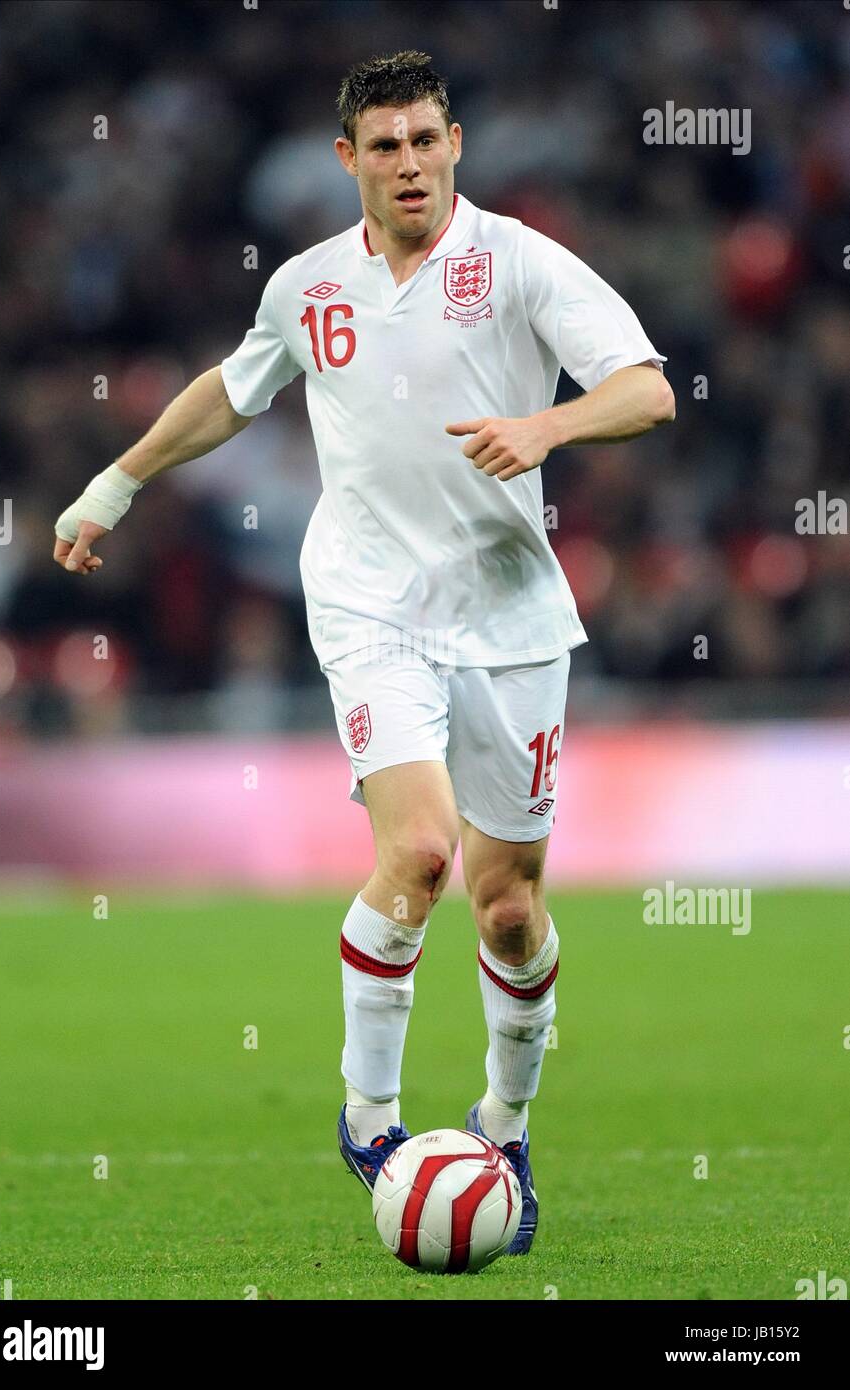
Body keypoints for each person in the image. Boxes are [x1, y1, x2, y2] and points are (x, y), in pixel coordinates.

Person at [54, 50, 674, 1256]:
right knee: (423, 851)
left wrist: (546, 425)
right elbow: (233, 391)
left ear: (456, 145)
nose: (409, 163)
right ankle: (372, 1118)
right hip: (369, 603)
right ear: (349, 159)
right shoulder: (307, 287)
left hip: (509, 617)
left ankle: (504, 1125)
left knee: (509, 908)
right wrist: (116, 482)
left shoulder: (519, 262)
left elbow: (647, 391)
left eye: (426, 139)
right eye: (385, 145)